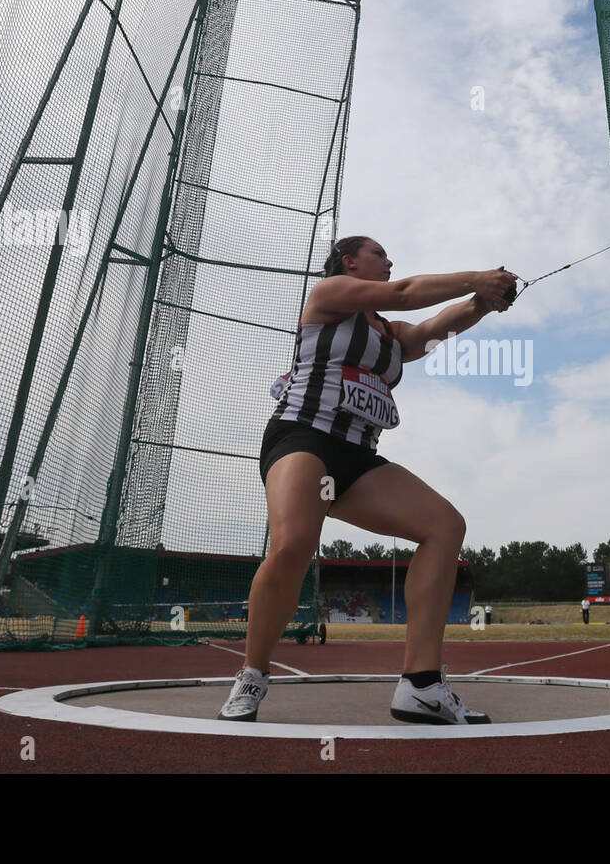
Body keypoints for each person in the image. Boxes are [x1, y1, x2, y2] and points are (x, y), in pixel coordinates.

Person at [218, 236, 517, 725]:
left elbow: (432, 328)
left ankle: (422, 685)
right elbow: (404, 291)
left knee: (445, 526)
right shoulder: (329, 295)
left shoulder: (389, 335)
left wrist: (480, 303)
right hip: (303, 439)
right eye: (379, 254)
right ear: (348, 260)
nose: (390, 261)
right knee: (293, 544)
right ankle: (252, 674)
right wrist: (476, 278)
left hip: (357, 458)